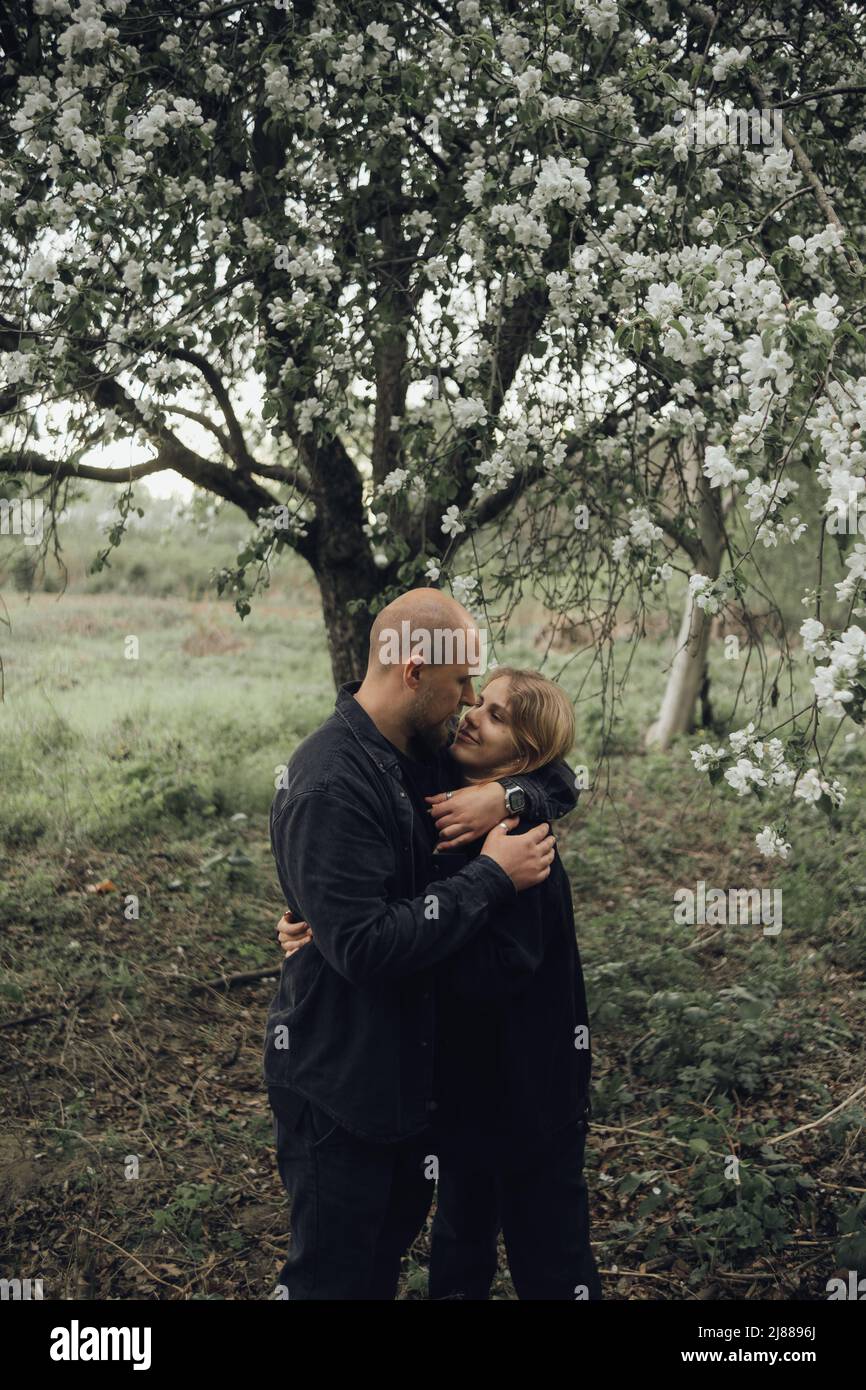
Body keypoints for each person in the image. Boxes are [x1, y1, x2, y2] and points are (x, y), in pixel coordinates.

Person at [264, 588, 574, 1301]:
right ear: (413, 672)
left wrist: (513, 797)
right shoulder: (330, 783)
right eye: (462, 682)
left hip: (406, 1087)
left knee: (376, 1270)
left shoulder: (419, 753)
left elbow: (553, 769)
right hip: (342, 1088)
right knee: (329, 1281)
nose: (469, 700)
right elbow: (368, 948)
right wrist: (492, 878)